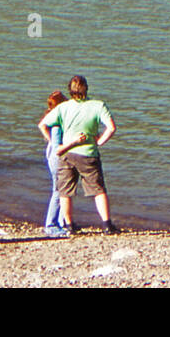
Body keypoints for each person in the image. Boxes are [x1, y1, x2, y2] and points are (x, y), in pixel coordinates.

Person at [42, 74, 117, 234]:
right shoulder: (98, 105)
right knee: (98, 190)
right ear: (86, 88)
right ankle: (106, 225)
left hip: (67, 153)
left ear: (70, 90)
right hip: (88, 153)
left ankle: (69, 225)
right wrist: (100, 141)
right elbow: (111, 127)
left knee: (65, 192)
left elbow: (43, 124)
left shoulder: (63, 107)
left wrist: (53, 143)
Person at [38, 89, 69, 238]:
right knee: (58, 190)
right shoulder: (57, 120)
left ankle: (63, 222)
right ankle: (51, 224)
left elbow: (41, 125)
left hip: (52, 151)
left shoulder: (52, 116)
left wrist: (49, 140)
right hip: (57, 155)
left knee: (63, 189)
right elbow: (57, 146)